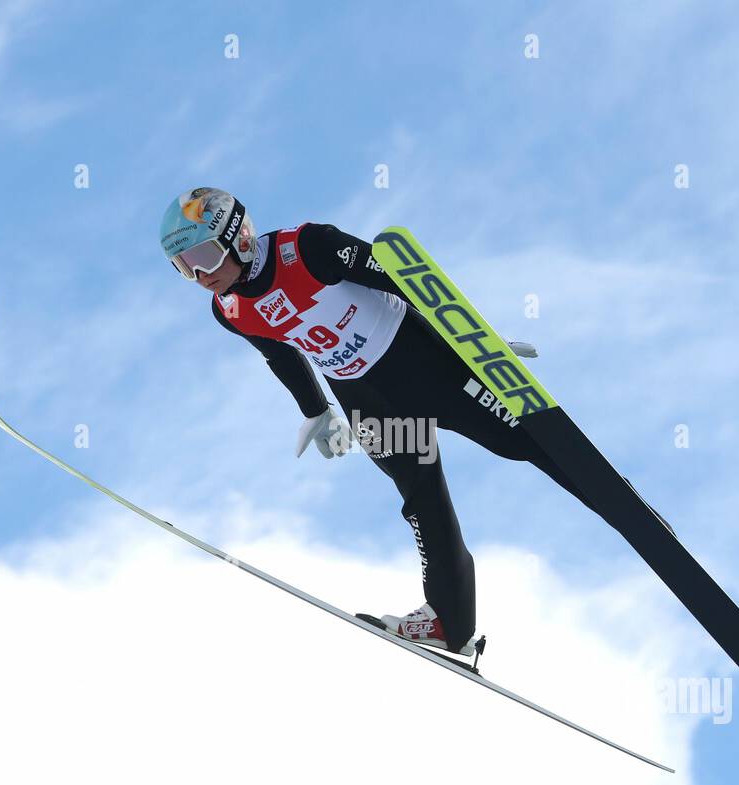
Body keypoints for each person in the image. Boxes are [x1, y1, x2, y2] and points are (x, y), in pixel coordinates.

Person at [161, 187, 567, 658]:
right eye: (184, 267)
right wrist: (315, 410)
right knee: (421, 499)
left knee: (518, 442)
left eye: (205, 257)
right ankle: (450, 623)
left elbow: (404, 278)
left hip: (420, 362)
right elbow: (280, 354)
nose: (199, 276)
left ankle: (603, 489)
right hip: (366, 400)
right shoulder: (229, 311)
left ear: (241, 237)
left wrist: (473, 338)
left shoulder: (307, 247)